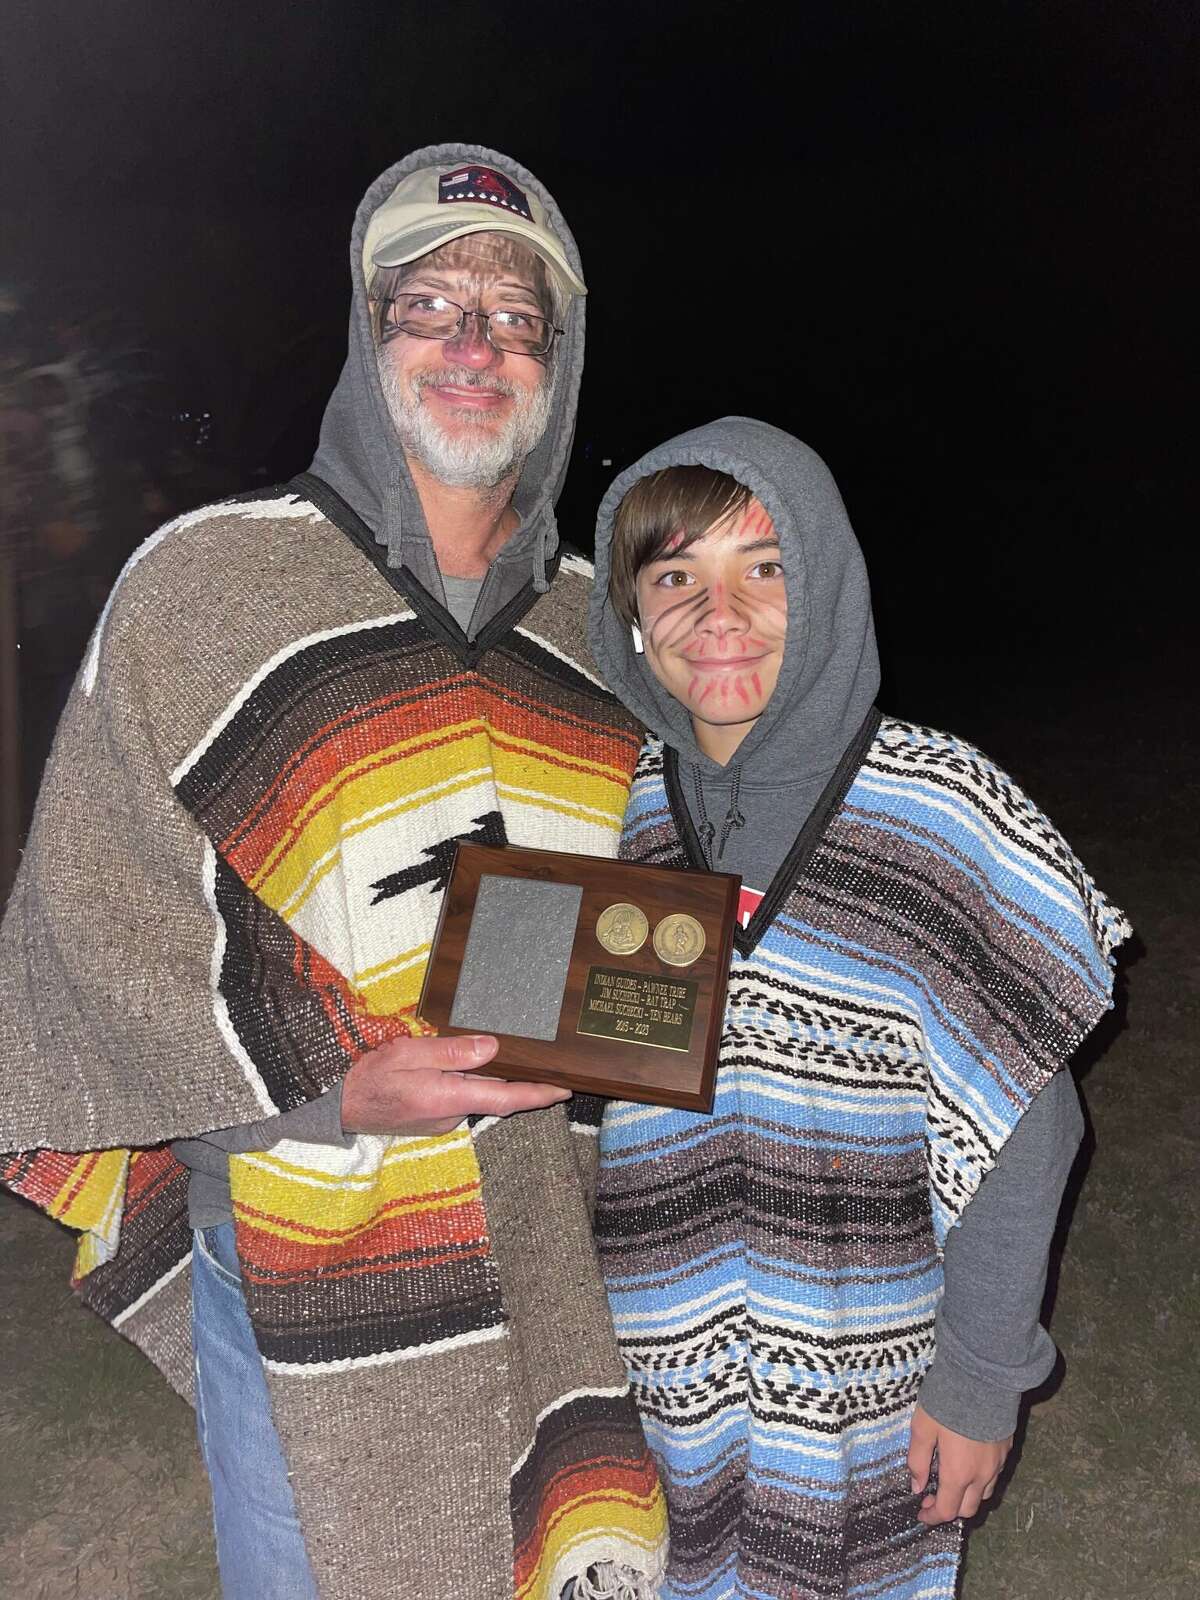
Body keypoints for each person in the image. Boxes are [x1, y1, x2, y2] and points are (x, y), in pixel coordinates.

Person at [0, 145, 667, 1600]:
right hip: (306, 1241)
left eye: (516, 314)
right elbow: (84, 921)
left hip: (549, 1236)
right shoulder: (209, 585)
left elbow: (639, 920)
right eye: (430, 304)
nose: (476, 342)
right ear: (368, 340)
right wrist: (328, 1082)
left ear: (561, 357)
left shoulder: (593, 643)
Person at [585, 417, 1130, 1600]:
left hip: (864, 1382)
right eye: (676, 576)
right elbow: (609, 1077)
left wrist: (981, 1377)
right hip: (656, 1367)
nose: (718, 614)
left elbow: (1030, 1129)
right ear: (630, 613)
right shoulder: (618, 809)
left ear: (827, 584)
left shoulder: (940, 810)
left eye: (764, 569)